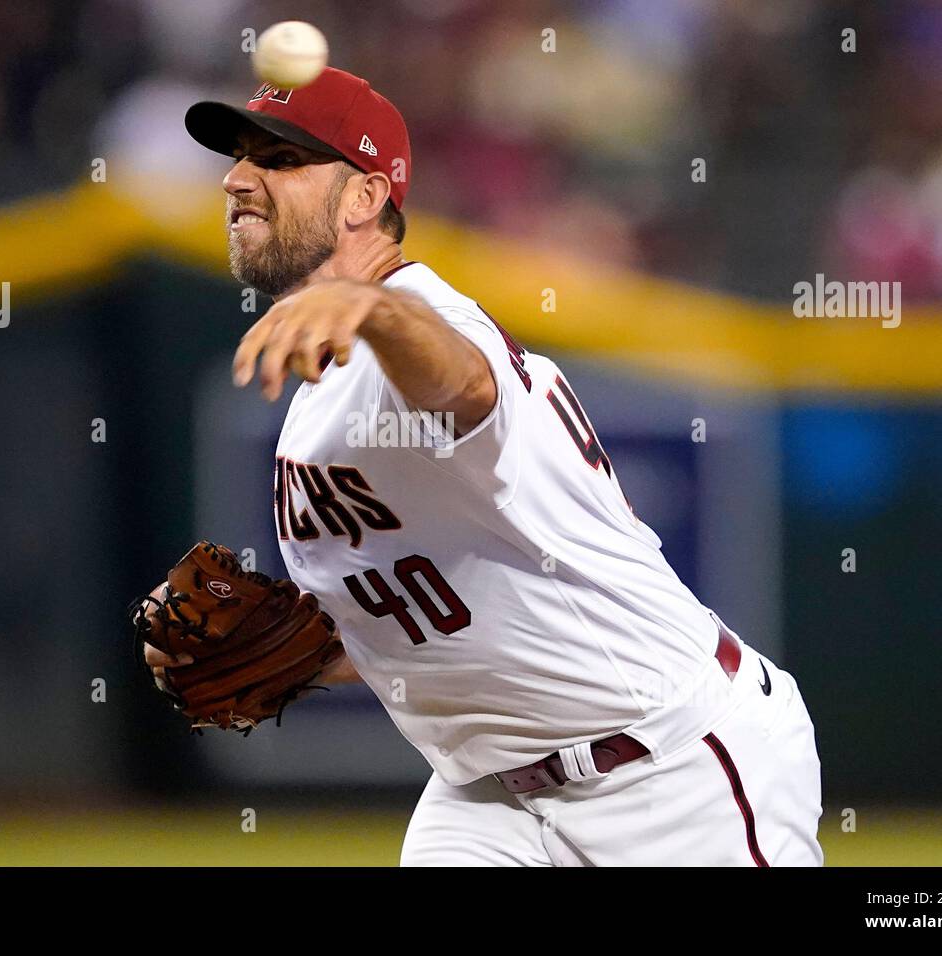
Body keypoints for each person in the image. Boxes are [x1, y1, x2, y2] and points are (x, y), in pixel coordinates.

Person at [146, 67, 823, 866]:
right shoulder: (321, 403)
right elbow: (438, 615)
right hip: (487, 797)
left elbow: (463, 388)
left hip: (675, 766)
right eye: (238, 158)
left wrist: (374, 307)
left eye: (278, 159)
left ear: (365, 198)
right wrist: (296, 660)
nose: (236, 178)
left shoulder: (428, 324)